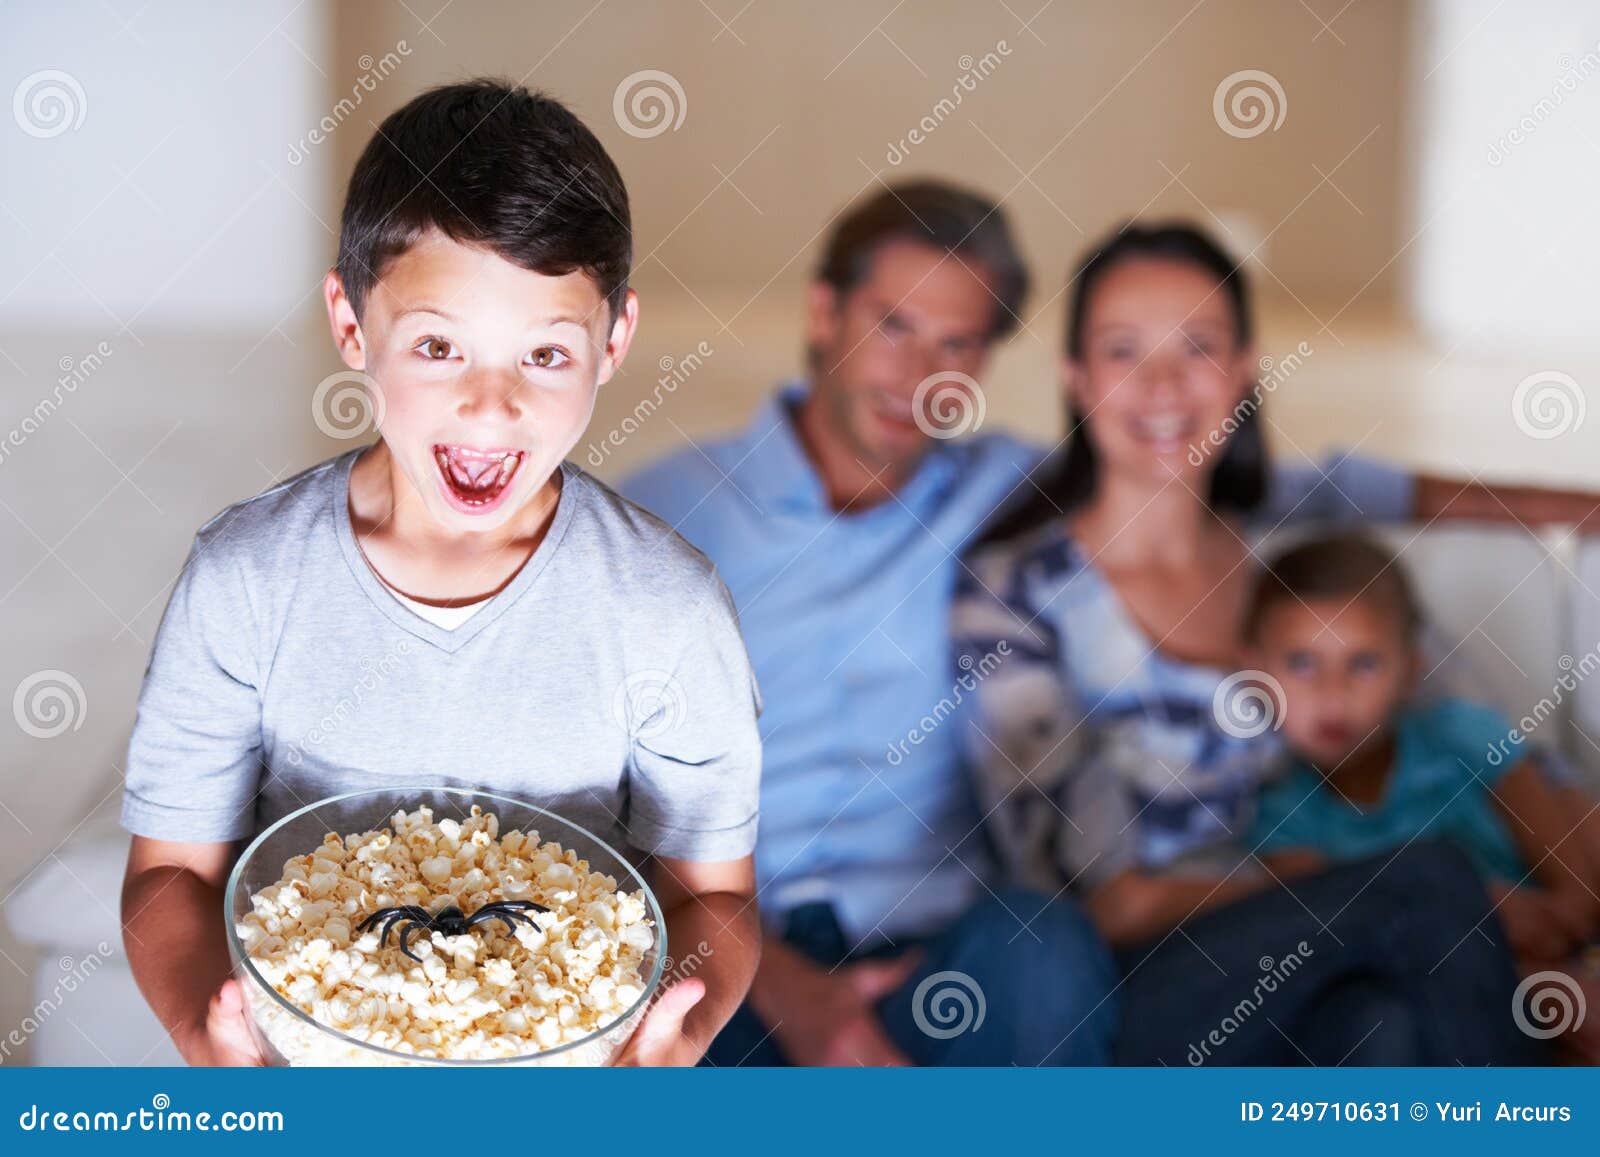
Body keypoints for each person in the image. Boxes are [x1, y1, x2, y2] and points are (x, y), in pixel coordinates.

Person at [118, 80, 762, 1067]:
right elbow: (171, 873)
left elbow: (713, 894)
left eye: (545, 355)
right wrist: (214, 1042)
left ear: (614, 342)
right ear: (350, 323)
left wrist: (670, 1040)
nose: (490, 404)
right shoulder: (246, 579)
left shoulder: (667, 607)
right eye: (437, 346)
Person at [952, 222, 1552, 1064]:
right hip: (1126, 992)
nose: (1163, 385)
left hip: (1323, 957)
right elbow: (1093, 901)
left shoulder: (1291, 556)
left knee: (1382, 1026)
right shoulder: (1014, 597)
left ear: (1242, 371)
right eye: (1124, 351)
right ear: (1076, 378)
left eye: (1197, 348)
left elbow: (1472, 727)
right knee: (1428, 884)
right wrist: (1311, 880)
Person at [1246, 533, 1600, 1060]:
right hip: (1463, 984)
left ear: (1410, 670)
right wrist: (1492, 920)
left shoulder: (1461, 736)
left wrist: (1569, 916)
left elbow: (1573, 874)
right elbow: (1363, 928)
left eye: (1364, 663)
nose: (1332, 694)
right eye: (1301, 663)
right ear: (1253, 671)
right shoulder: (1276, 812)